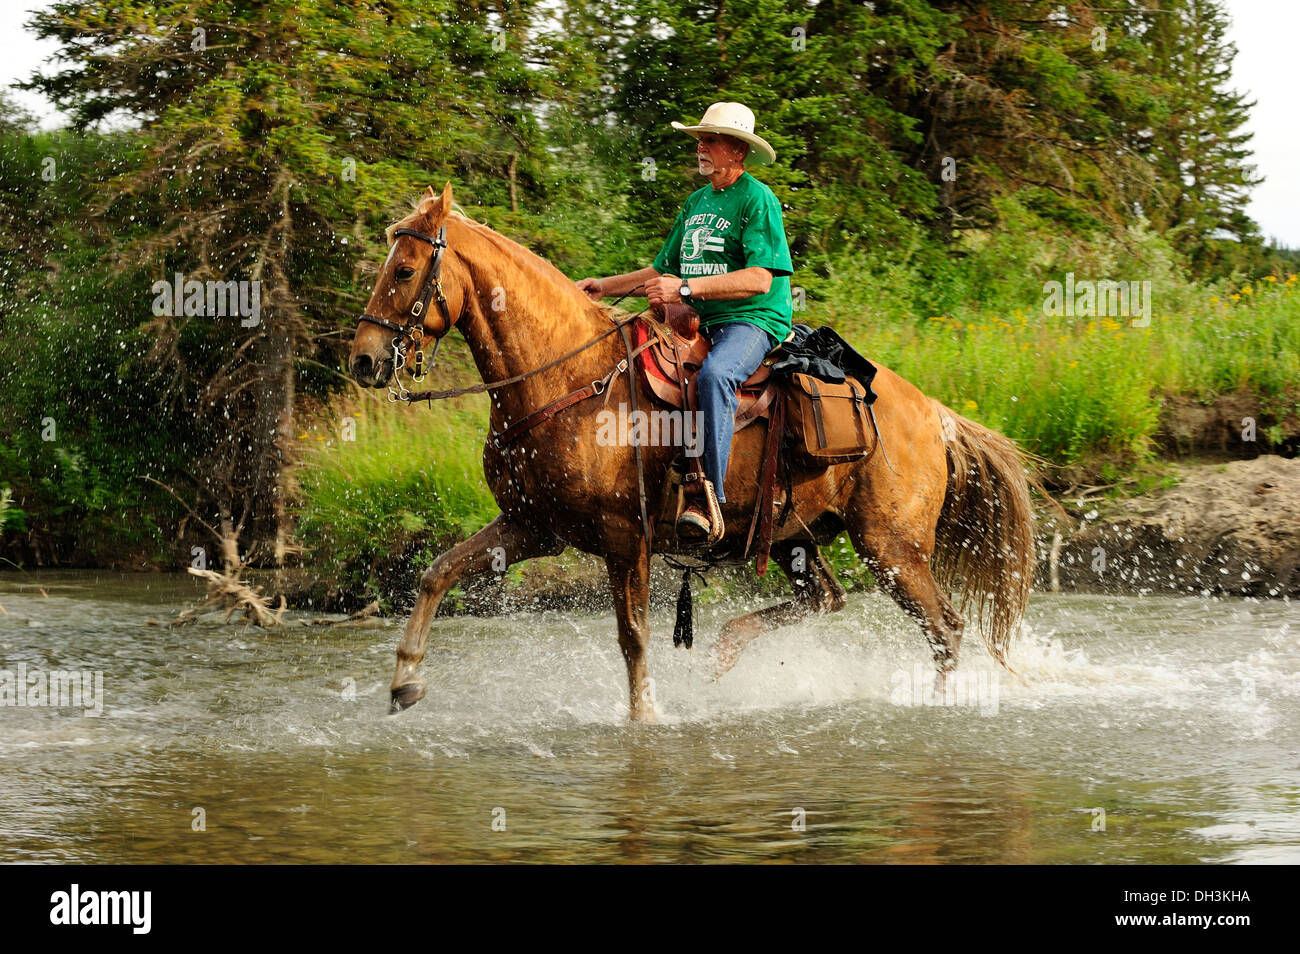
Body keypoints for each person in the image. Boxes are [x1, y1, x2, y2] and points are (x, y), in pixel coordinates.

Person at [576, 102, 793, 545]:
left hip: (750, 320)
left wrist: (688, 290)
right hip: (698, 321)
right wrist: (604, 285)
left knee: (715, 377)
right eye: (700, 139)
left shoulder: (758, 199)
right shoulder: (695, 202)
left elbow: (759, 277)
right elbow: (662, 273)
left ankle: (706, 497)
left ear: (738, 151)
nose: (701, 146)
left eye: (710, 139)